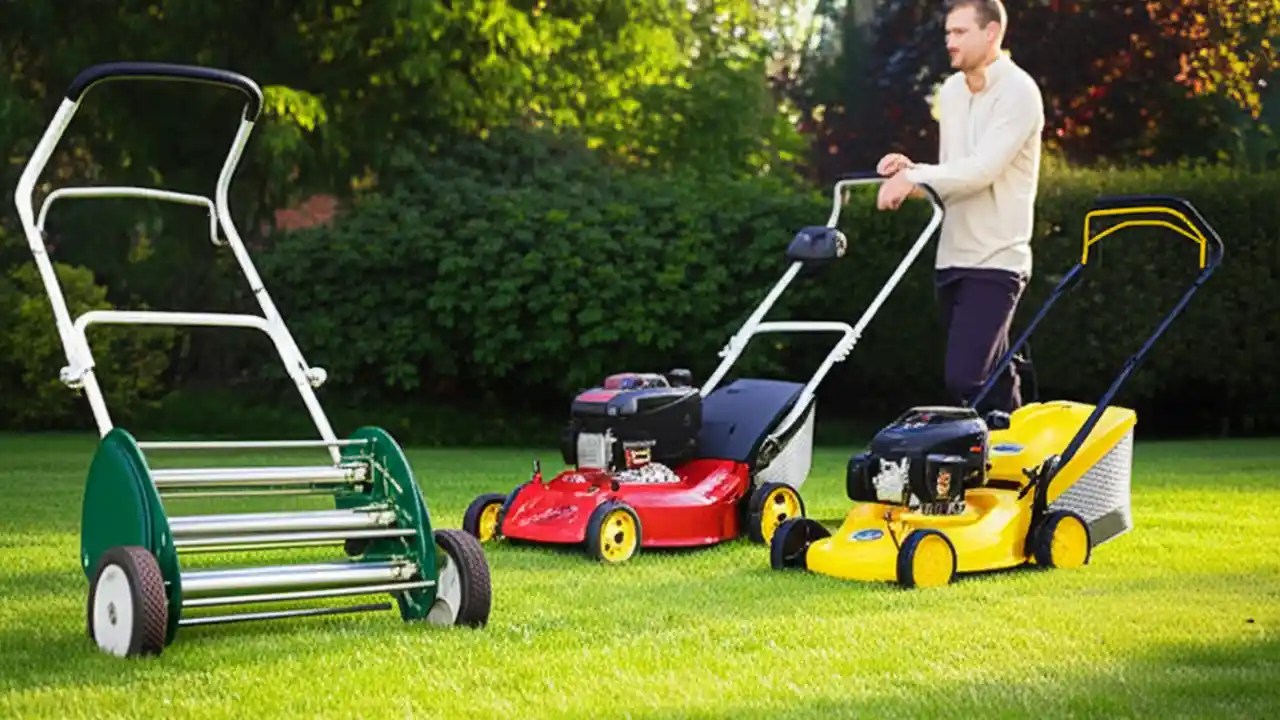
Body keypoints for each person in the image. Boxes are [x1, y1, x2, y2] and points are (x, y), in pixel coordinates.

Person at [874, 0, 1045, 414]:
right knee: (994, 379)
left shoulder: (1019, 92)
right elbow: (954, 174)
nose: (949, 41)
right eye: (948, 33)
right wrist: (910, 174)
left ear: (992, 33)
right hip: (952, 257)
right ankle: (1018, 447)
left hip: (997, 259)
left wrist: (916, 177)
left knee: (965, 378)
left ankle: (1006, 439)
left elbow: (983, 170)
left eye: (960, 32)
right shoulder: (951, 93)